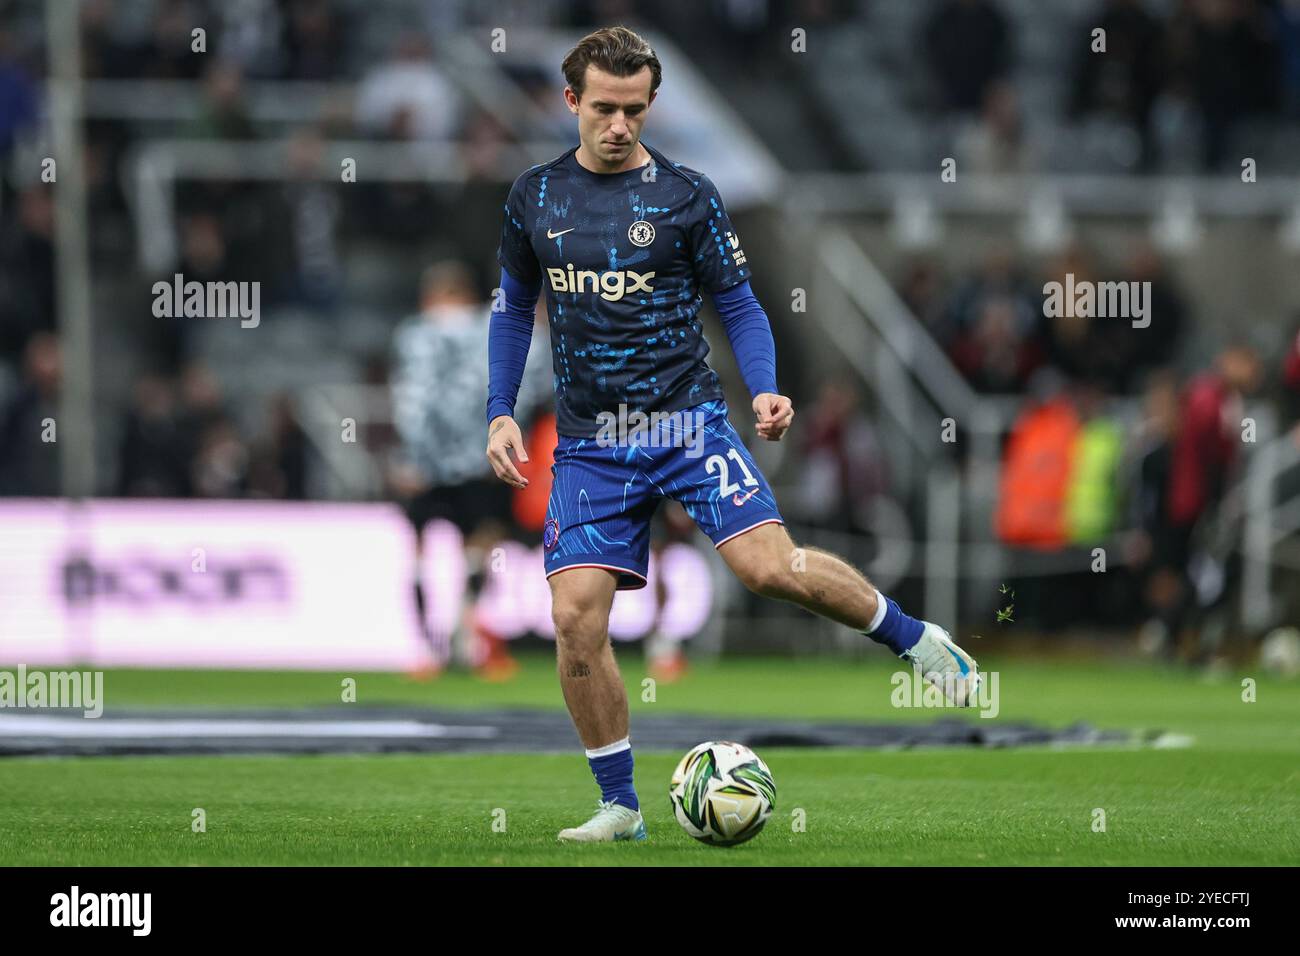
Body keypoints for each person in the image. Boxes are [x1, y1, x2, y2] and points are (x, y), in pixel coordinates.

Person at [484, 26, 982, 844]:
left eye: (635, 110)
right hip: (589, 442)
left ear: (651, 105)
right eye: (604, 109)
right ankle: (620, 806)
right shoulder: (533, 197)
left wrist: (768, 387)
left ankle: (918, 642)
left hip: (687, 423)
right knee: (577, 617)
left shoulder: (687, 196)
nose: (619, 125)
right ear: (571, 101)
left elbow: (742, 305)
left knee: (768, 568)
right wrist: (502, 407)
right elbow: (511, 309)